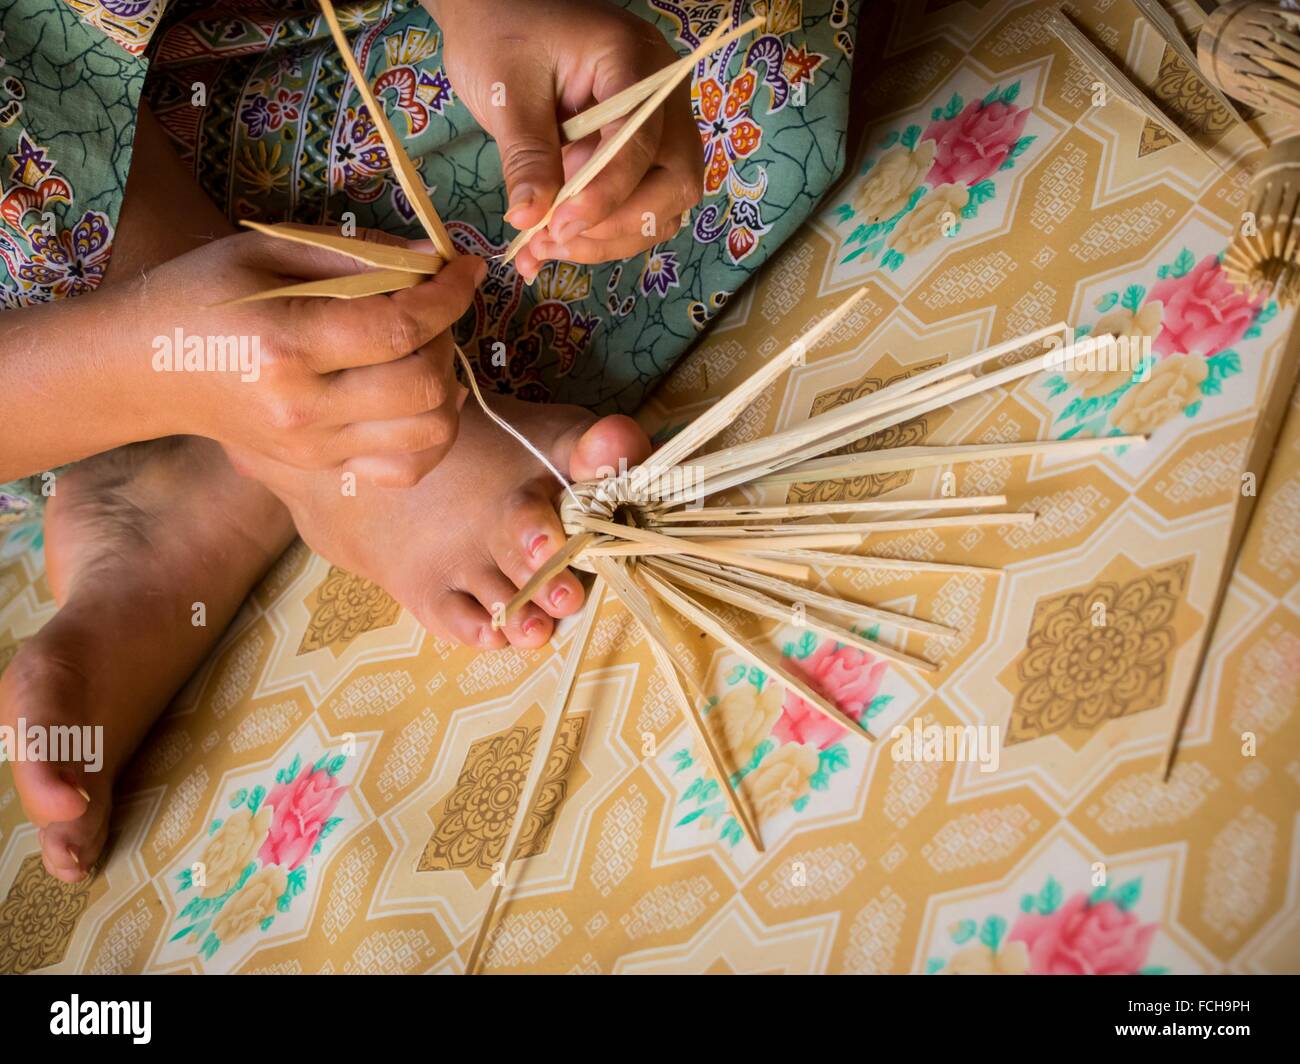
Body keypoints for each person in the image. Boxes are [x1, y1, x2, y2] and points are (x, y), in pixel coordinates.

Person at [0, 0, 855, 881]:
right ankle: (200, 413)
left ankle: (224, 442)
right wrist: (151, 361)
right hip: (48, 313)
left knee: (728, 56)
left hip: (264, 64)